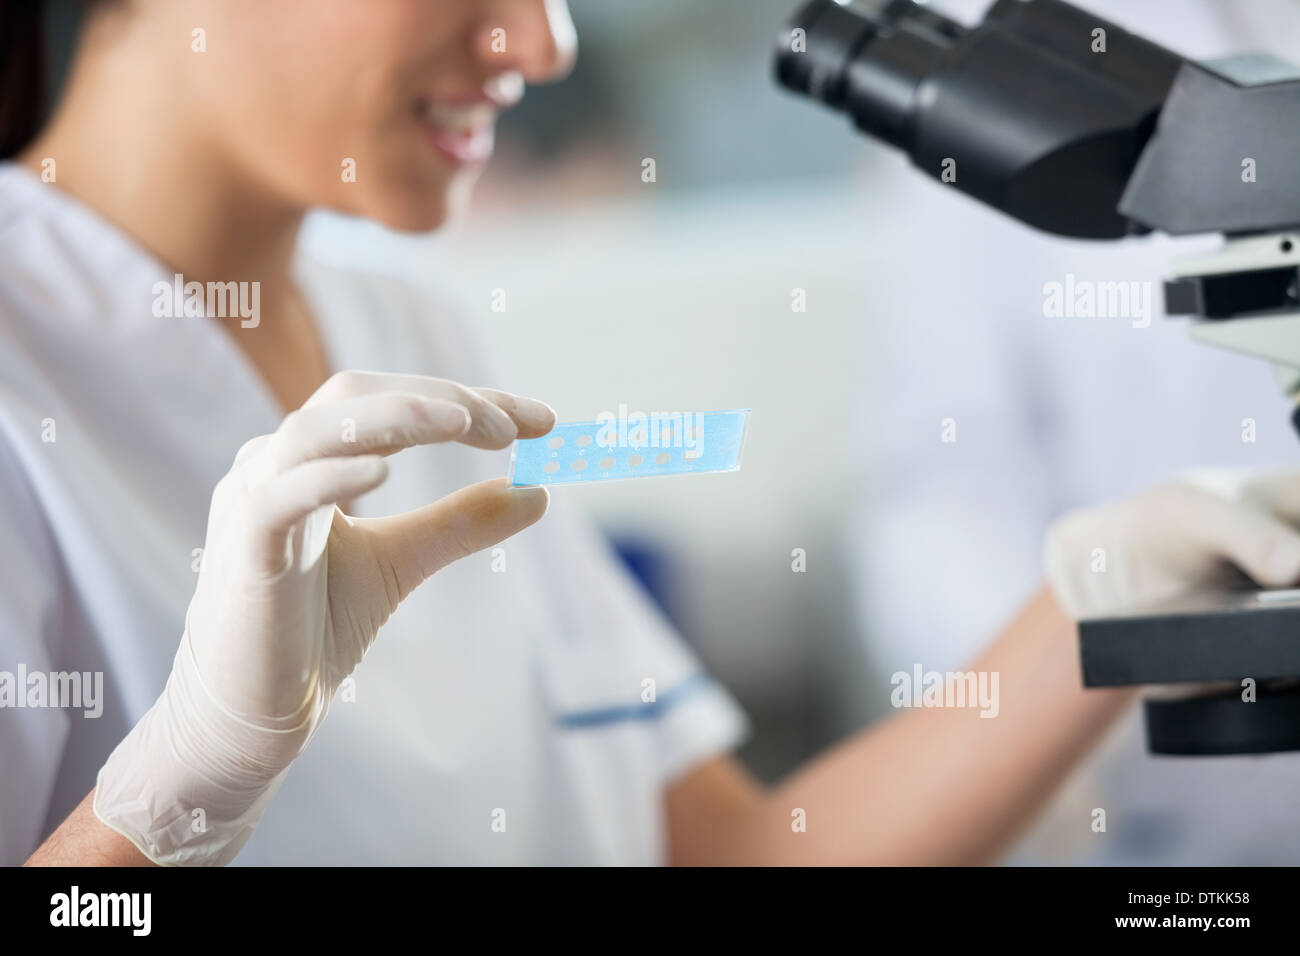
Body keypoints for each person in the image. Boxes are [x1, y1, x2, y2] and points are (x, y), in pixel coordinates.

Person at [3, 0, 1299, 866]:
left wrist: (1093, 609)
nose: (543, 42)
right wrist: (173, 797)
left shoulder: (416, 334)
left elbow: (740, 858)